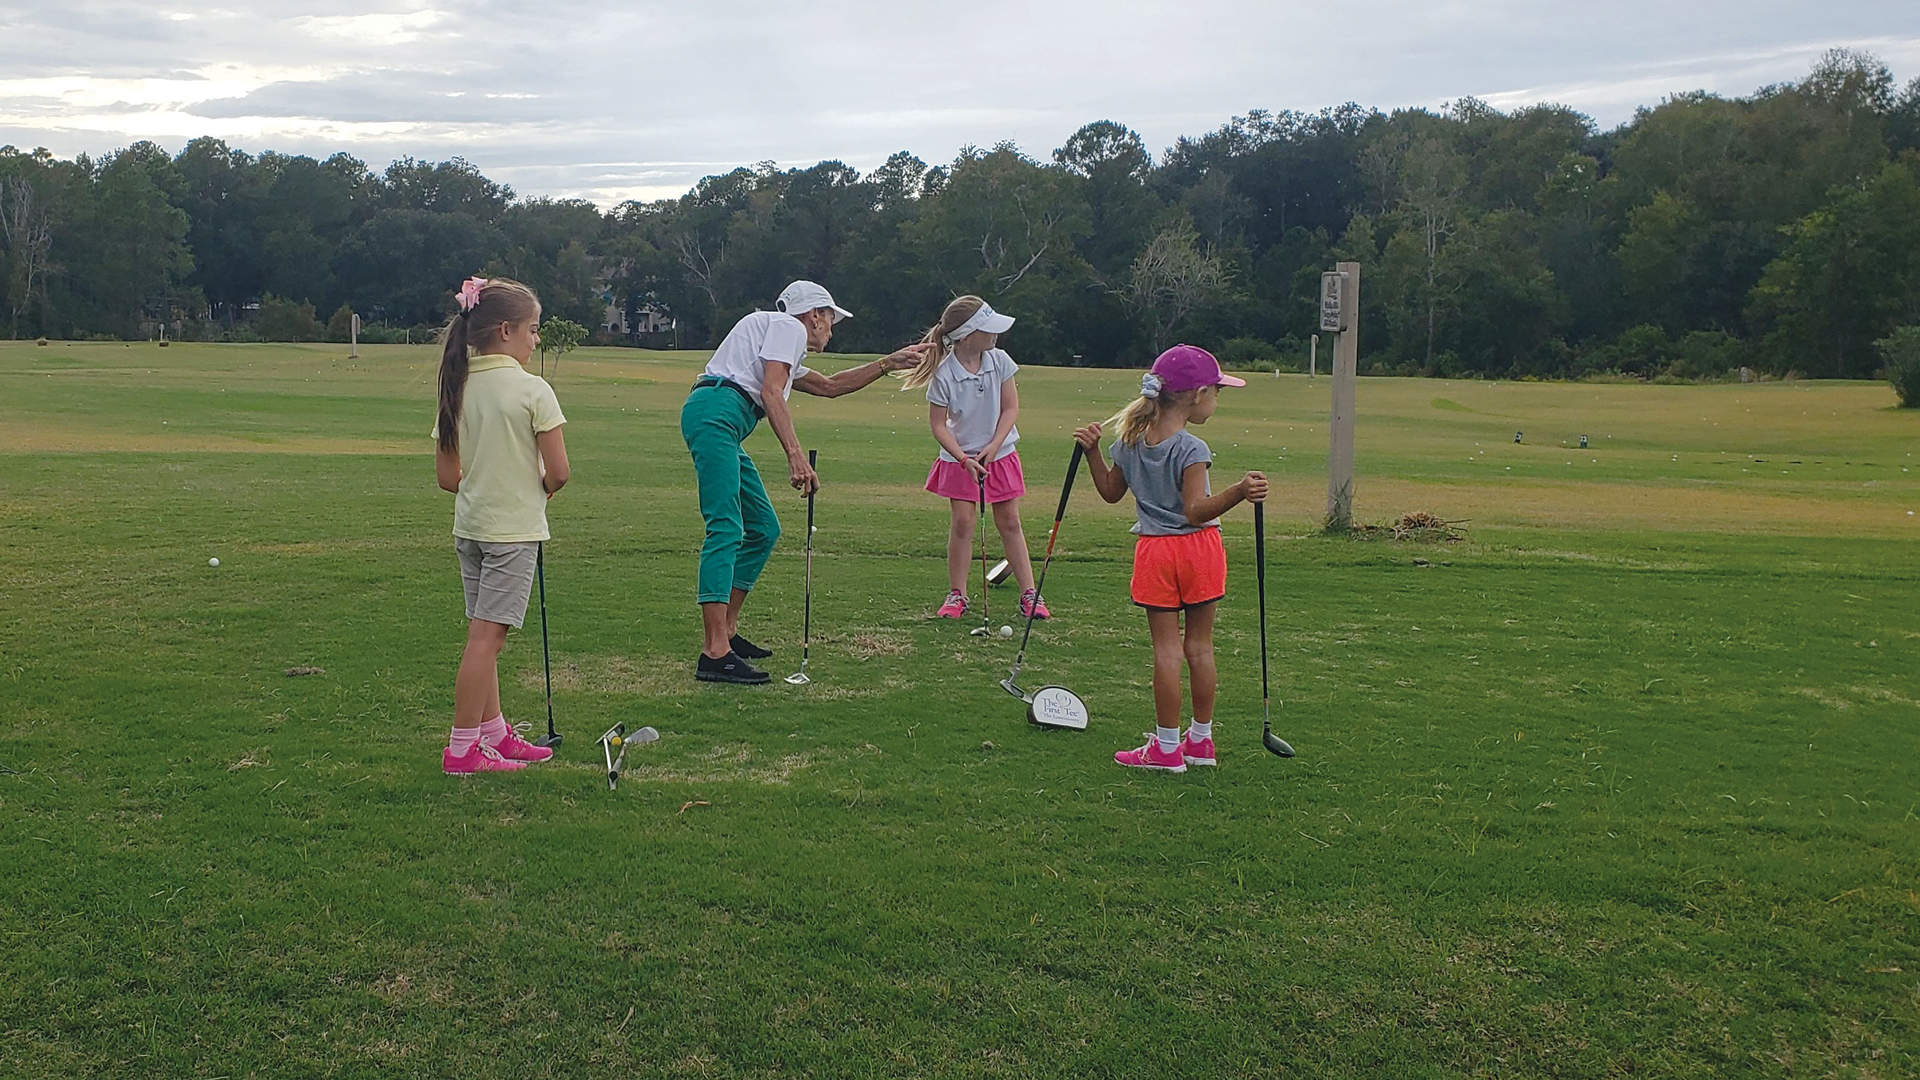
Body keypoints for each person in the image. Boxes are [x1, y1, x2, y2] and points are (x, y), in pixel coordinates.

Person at [681, 281, 933, 683]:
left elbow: (831, 387)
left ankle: (726, 631)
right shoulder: (788, 327)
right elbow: (770, 392)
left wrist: (888, 363)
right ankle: (714, 653)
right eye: (830, 319)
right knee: (725, 527)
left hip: (720, 419)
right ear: (814, 314)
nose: (830, 329)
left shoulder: (780, 340)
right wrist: (796, 456)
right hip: (716, 414)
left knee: (763, 528)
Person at [1072, 345, 1267, 773]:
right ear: (1197, 396)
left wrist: (1092, 452)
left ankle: (1166, 746)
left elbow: (1109, 492)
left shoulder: (1127, 441)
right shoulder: (1192, 449)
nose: (1216, 400)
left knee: (1166, 651)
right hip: (1200, 550)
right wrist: (1239, 491)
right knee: (1198, 647)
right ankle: (1198, 741)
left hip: (1156, 552)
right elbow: (1195, 512)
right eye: (1216, 392)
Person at [432, 276, 570, 774]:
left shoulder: (458, 386)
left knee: (481, 635)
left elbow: (448, 477)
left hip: (470, 528)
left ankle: (495, 734)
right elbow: (559, 472)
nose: (537, 340)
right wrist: (539, 486)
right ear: (506, 331)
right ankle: (463, 749)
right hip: (511, 533)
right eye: (534, 330)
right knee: (486, 640)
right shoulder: (534, 390)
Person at [896, 296, 1049, 621]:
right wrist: (964, 459)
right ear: (966, 335)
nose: (995, 335)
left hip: (1000, 453)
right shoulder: (945, 374)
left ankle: (1030, 594)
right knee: (963, 523)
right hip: (959, 459)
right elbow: (938, 426)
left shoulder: (1000, 360)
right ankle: (958, 594)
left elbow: (1010, 408)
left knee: (1009, 521)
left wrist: (994, 445)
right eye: (987, 329)